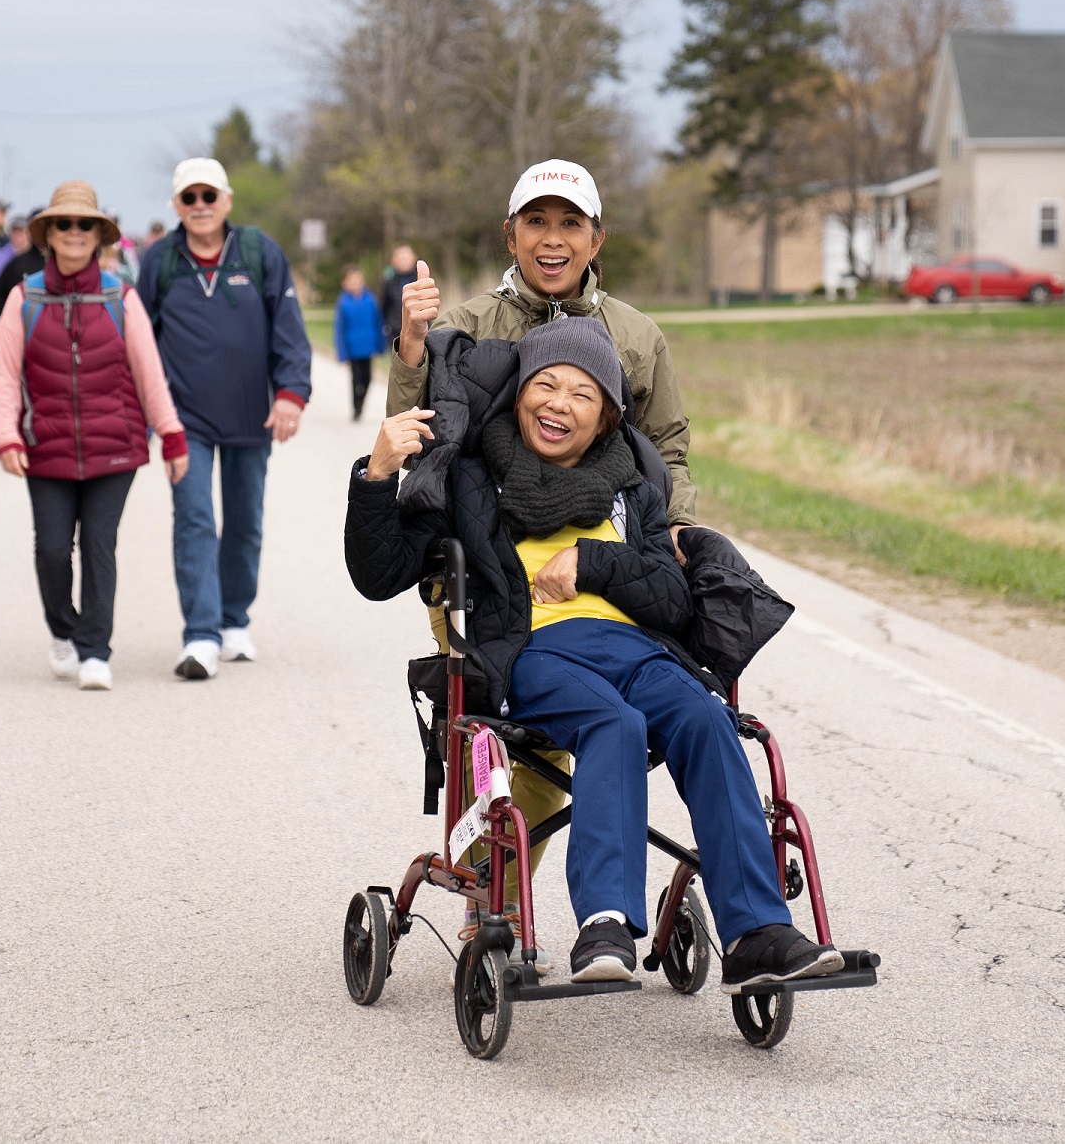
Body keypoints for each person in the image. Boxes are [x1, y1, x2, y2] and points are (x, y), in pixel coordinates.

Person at [345, 319, 840, 988]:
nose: (558, 404)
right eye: (544, 385)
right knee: (615, 725)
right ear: (519, 395)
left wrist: (595, 563)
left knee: (707, 719)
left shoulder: (632, 486)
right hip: (536, 652)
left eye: (582, 395)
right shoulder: (472, 478)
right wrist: (376, 472)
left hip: (639, 647)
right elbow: (379, 575)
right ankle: (604, 922)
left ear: (606, 415)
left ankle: (757, 933)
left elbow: (671, 597)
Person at [390, 159, 698, 534]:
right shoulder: (465, 326)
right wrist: (412, 343)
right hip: (485, 539)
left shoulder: (639, 336)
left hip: (606, 540)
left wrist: (678, 524)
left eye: (571, 223)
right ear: (510, 236)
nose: (553, 238)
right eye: (536, 221)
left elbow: (665, 449)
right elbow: (412, 448)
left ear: (596, 240)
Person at [0, 182, 189, 690]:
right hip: (46, 447)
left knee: (99, 544)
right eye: (64, 224)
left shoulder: (121, 297)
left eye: (85, 225)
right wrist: (7, 435)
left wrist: (170, 434)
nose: (74, 233)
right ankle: (63, 630)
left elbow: (149, 372)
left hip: (115, 447)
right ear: (49, 235)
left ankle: (96, 650)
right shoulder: (24, 298)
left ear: (99, 235)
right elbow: (6, 377)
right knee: (53, 549)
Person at [138, 157, 313, 681]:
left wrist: (290, 394)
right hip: (182, 419)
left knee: (244, 521)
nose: (199, 207)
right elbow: (139, 341)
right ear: (176, 206)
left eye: (208, 197)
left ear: (226, 201)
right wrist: (146, 416)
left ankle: (235, 618)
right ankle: (200, 635)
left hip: (250, 416)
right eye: (189, 198)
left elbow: (289, 327)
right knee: (193, 519)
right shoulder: (159, 260)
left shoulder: (259, 253)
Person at [332, 265, 385, 420]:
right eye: (352, 280)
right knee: (356, 379)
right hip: (353, 348)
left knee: (367, 378)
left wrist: (380, 345)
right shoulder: (343, 302)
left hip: (368, 346)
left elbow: (378, 322)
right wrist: (342, 352)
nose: (355, 283)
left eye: (358, 279)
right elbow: (339, 328)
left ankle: (361, 402)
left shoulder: (370, 299)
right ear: (344, 283)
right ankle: (356, 408)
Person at [379, 242, 417, 345]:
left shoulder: (421, 279)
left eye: (406, 257)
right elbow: (384, 306)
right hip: (395, 331)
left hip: (418, 330)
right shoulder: (388, 282)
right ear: (393, 261)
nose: (403, 261)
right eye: (400, 258)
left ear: (414, 258)